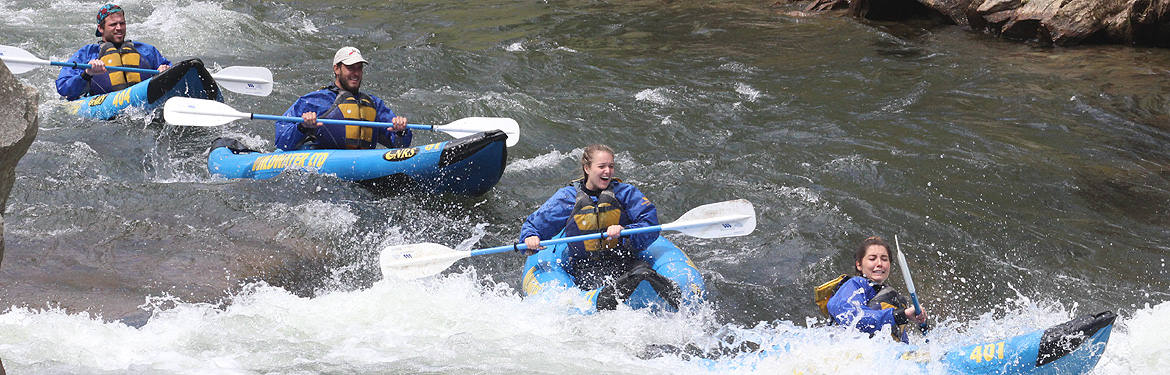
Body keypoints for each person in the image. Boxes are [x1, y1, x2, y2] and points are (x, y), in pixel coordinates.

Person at [519, 144, 675, 308]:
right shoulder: (568, 197)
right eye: (601, 166)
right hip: (588, 267)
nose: (607, 171)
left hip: (624, 260)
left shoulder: (626, 193)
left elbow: (650, 224)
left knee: (643, 273)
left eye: (611, 166)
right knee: (605, 285)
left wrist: (625, 231)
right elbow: (534, 225)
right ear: (587, 168)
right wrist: (530, 237)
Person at [274, 46, 410, 150]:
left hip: (364, 166)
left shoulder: (374, 104)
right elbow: (281, 140)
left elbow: (399, 147)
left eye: (359, 68)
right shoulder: (315, 100)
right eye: (350, 68)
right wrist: (302, 127)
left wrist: (401, 131)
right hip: (327, 166)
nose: (356, 73)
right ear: (336, 69)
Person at [55, 4, 172, 100]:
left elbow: (172, 69)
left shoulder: (146, 50)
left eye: (122, 23)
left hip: (142, 102)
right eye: (113, 24)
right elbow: (63, 88)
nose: (119, 28)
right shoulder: (87, 53)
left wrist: (165, 71)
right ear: (101, 28)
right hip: (104, 105)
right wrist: (87, 73)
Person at [825, 236, 927, 342]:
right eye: (872, 259)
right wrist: (900, 315)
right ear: (859, 264)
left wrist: (919, 321)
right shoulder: (853, 285)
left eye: (884, 259)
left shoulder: (890, 296)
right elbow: (851, 317)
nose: (879, 264)